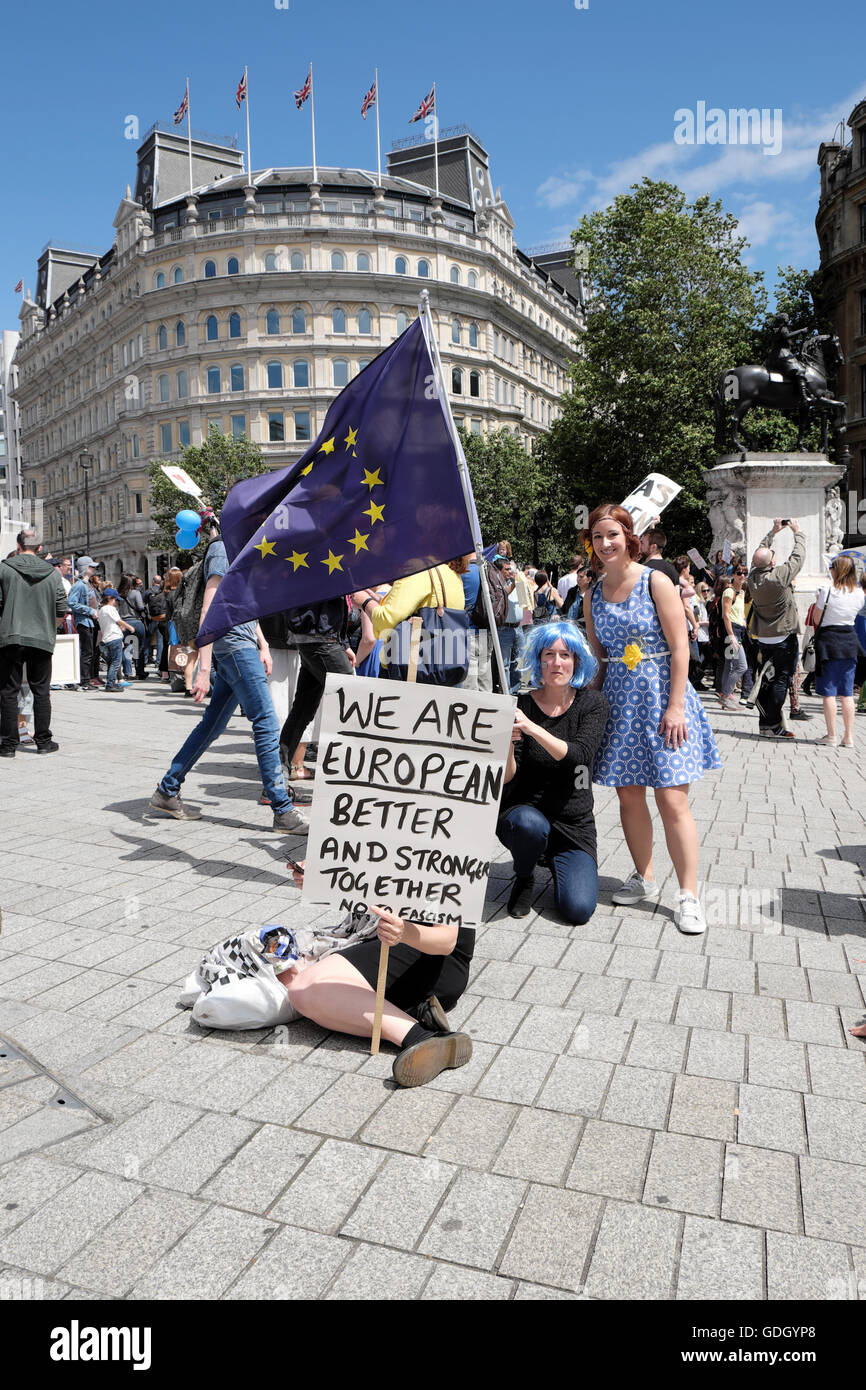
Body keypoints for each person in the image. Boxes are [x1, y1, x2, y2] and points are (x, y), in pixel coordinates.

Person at [583, 504, 721, 935]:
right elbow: (598, 658)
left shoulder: (654, 580)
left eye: (612, 535)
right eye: (597, 536)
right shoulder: (592, 594)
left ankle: (688, 895)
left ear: (629, 537)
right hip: (620, 702)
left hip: (663, 697)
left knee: (672, 800)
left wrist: (676, 705)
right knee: (628, 796)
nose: (604, 544)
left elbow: (681, 647)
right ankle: (643, 877)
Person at [149, 515, 307, 833]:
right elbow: (211, 608)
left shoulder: (240, 548)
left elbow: (247, 605)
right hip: (233, 644)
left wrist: (262, 643)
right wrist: (204, 667)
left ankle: (167, 790)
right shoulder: (222, 548)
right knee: (265, 721)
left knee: (213, 724)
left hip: (242, 643)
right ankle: (282, 808)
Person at [277, 862, 474, 1087]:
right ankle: (412, 1010)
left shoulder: (446, 847)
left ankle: (422, 1037)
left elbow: (447, 941)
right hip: (382, 938)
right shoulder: (379, 834)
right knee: (288, 971)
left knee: (306, 988)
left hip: (434, 961)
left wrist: (403, 931)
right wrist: (321, 881)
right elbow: (366, 887)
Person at [497, 621, 609, 921]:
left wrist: (532, 729)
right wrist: (507, 743)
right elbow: (508, 777)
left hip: (574, 824)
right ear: (538, 660)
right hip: (526, 813)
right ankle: (524, 875)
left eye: (565, 655)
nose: (556, 662)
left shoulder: (593, 704)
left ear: (577, 661)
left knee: (578, 910)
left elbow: (579, 756)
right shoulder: (520, 705)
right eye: (549, 654)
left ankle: (556, 857)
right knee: (528, 825)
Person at [0, 528, 68, 757]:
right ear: (40, 549)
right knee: (41, 690)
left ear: (18, 546)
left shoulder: (4, 569)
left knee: (9, 691)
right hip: (41, 637)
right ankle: (43, 741)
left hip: (11, 636)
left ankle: (8, 746)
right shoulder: (52, 574)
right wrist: (51, 626)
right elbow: (61, 607)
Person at [747, 519, 805, 739]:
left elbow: (758, 555)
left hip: (764, 636)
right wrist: (797, 532)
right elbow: (797, 558)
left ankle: (765, 723)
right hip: (783, 636)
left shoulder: (753, 577)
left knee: (766, 680)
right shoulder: (778, 576)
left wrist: (772, 533)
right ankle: (773, 725)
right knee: (781, 680)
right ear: (771, 561)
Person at [812, 554, 866, 747]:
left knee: (829, 692)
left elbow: (817, 619)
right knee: (847, 692)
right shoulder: (860, 594)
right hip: (850, 641)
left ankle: (831, 735)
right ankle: (849, 737)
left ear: (837, 570)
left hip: (829, 641)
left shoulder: (827, 591)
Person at [717, 562, 752, 710]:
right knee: (742, 666)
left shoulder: (742, 592)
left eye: (745, 573)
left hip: (739, 630)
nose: (742, 575)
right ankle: (725, 695)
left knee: (730, 665)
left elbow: (737, 612)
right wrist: (731, 635)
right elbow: (726, 615)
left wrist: (743, 620)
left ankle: (725, 698)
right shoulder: (729, 592)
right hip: (731, 631)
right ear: (733, 575)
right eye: (739, 573)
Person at [67, 556, 100, 689]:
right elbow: (71, 603)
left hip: (89, 622)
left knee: (90, 652)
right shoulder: (79, 585)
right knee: (87, 652)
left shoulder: (87, 584)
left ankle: (87, 679)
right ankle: (84, 681)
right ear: (85, 569)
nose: (93, 569)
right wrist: (90, 611)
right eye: (91, 567)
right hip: (83, 622)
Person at [97, 587, 134, 693]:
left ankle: (111, 682)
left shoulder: (101, 609)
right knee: (116, 662)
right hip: (114, 637)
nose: (115, 602)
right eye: (114, 599)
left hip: (107, 638)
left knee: (112, 662)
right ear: (110, 598)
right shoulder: (110, 608)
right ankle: (110, 684)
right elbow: (119, 621)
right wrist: (130, 627)